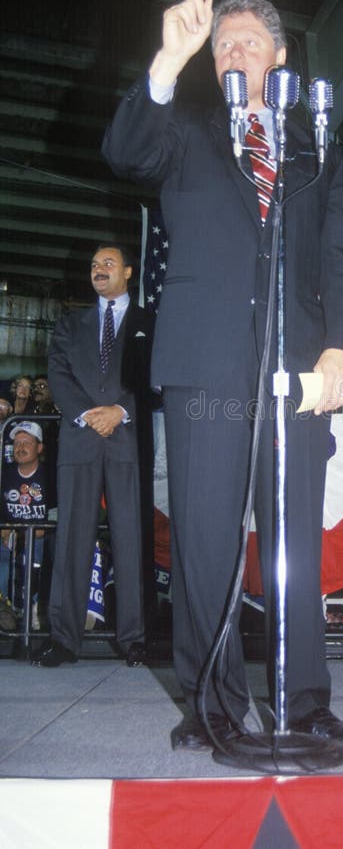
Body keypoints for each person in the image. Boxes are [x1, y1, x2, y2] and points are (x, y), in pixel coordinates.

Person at [103, 0, 343, 750]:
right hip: (205, 374)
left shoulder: (319, 151)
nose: (232, 53)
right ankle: (209, 703)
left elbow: (341, 259)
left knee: (293, 542)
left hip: (293, 378)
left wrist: (338, 349)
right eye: (222, 45)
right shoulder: (180, 136)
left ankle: (303, 698)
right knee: (205, 541)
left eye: (248, 42)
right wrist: (166, 60)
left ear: (278, 59)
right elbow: (124, 151)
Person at [31, 244, 154, 668]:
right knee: (71, 540)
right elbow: (58, 374)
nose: (98, 270)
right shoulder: (70, 324)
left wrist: (120, 411)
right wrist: (88, 413)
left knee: (130, 538)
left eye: (108, 263)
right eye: (94, 264)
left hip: (127, 439)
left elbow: (155, 377)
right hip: (81, 439)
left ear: (128, 272)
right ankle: (63, 639)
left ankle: (134, 637)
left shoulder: (147, 322)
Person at [0, 421, 55, 620]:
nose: (20, 448)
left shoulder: (51, 476)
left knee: (37, 555)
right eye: (17, 443)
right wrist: (4, 530)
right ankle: (5, 610)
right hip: (9, 536)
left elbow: (57, 517)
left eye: (27, 443)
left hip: (39, 537)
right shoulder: (4, 474)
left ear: (39, 448)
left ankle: (34, 610)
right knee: (4, 558)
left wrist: (31, 534)